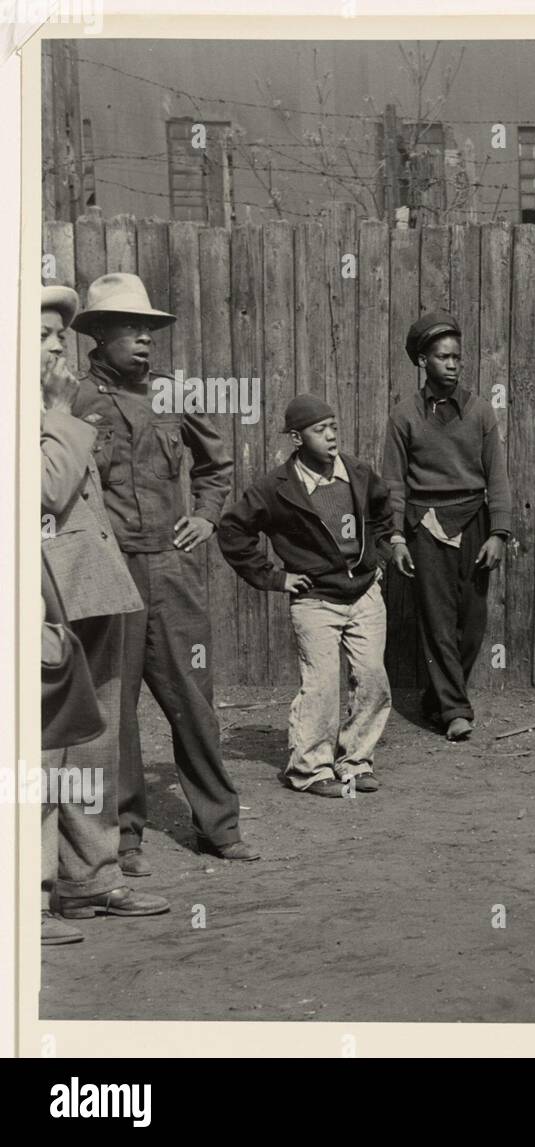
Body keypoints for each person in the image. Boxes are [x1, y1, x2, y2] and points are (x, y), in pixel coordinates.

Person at [70, 273, 258, 865]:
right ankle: (122, 836)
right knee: (114, 708)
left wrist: (205, 517)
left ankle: (220, 828)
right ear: (98, 336)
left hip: (173, 572)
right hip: (108, 572)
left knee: (192, 698)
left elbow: (214, 465)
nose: (145, 341)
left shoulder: (176, 395)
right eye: (131, 329)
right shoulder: (74, 402)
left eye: (149, 330)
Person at [39, 283, 169, 943]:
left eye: (58, 335)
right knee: (42, 749)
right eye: (40, 336)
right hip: (40, 593)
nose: (54, 347)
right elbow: (42, 490)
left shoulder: (53, 401)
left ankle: (90, 878)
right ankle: (29, 897)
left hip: (90, 579)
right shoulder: (40, 405)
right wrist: (62, 412)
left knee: (95, 737)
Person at [218, 396, 395, 797]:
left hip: (365, 594)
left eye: (333, 426)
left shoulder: (358, 472)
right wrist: (274, 578)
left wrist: (379, 553)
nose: (331, 435)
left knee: (372, 678)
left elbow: (383, 512)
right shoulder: (276, 487)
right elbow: (233, 530)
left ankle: (356, 762)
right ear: (297, 438)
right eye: (320, 430)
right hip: (316, 600)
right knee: (320, 685)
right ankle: (310, 769)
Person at [383, 311, 512, 742]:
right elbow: (393, 481)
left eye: (457, 356)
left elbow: (497, 476)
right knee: (436, 621)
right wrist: (397, 536)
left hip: (474, 521)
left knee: (471, 623)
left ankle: (436, 701)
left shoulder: (479, 412)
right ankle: (457, 710)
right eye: (443, 357)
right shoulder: (403, 416)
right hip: (425, 525)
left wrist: (498, 533)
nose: (453, 364)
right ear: (423, 361)